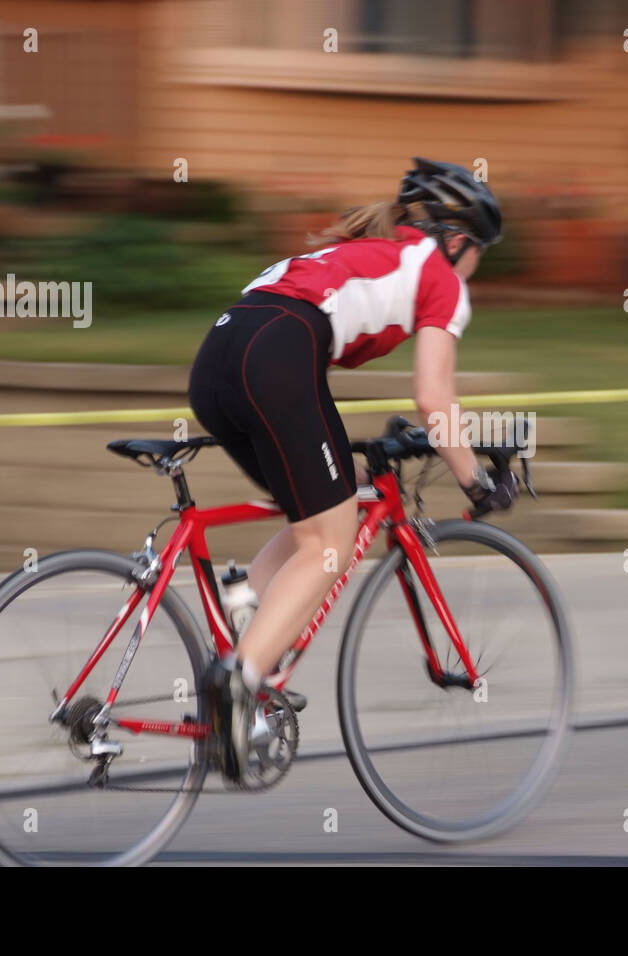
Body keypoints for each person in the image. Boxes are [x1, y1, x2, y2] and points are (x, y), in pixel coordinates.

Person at [187, 158, 518, 779]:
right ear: (456, 240)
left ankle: (244, 615)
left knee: (324, 507)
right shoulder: (440, 275)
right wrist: (477, 478)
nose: (476, 265)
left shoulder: (368, 250)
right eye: (478, 252)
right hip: (280, 354)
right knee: (333, 540)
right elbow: (434, 394)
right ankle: (238, 680)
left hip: (220, 356)